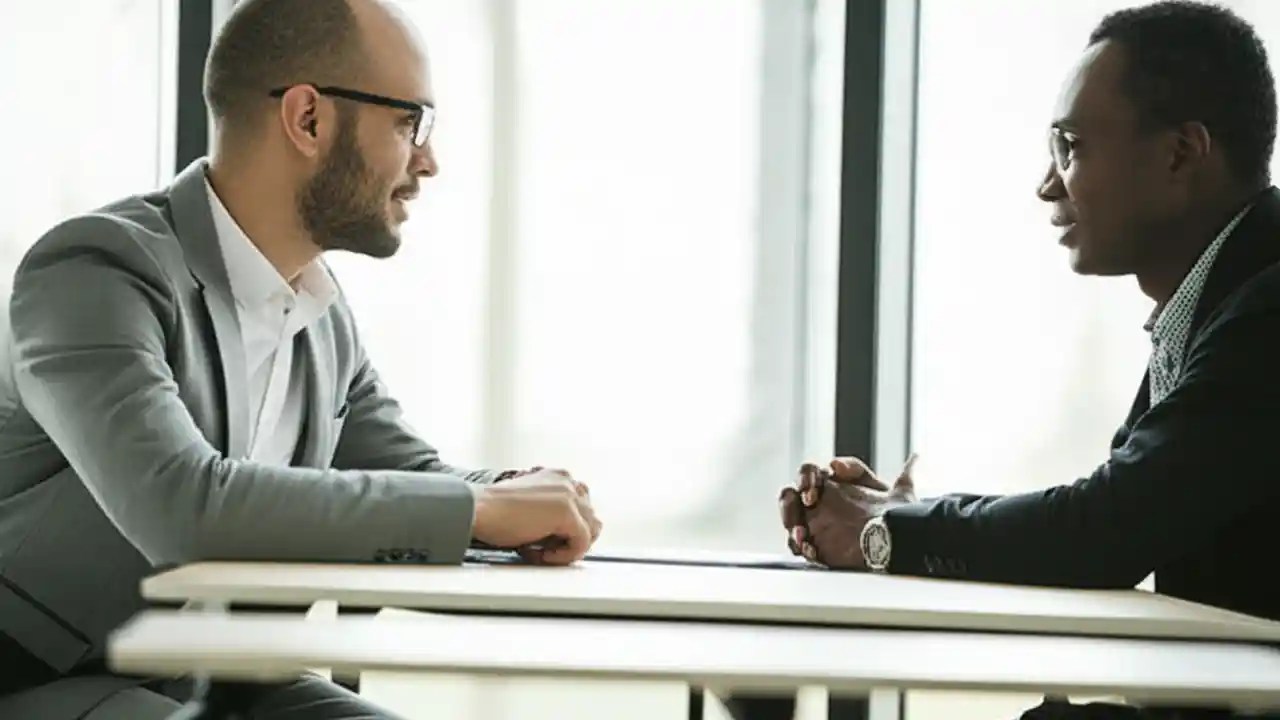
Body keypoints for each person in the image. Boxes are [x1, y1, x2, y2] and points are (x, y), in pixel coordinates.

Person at [0, 0, 601, 717]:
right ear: (308, 118)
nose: (429, 160)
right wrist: (481, 507)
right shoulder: (96, 271)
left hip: (206, 677)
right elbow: (180, 506)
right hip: (34, 677)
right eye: (410, 122)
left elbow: (410, 478)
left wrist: (513, 491)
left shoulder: (319, 314)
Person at [781, 1, 1280, 718]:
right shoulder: (1223, 300)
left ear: (1180, 154)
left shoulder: (1267, 313)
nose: (1048, 184)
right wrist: (898, 519)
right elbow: (1121, 514)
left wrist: (884, 531)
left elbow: (1105, 530)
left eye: (1070, 147)